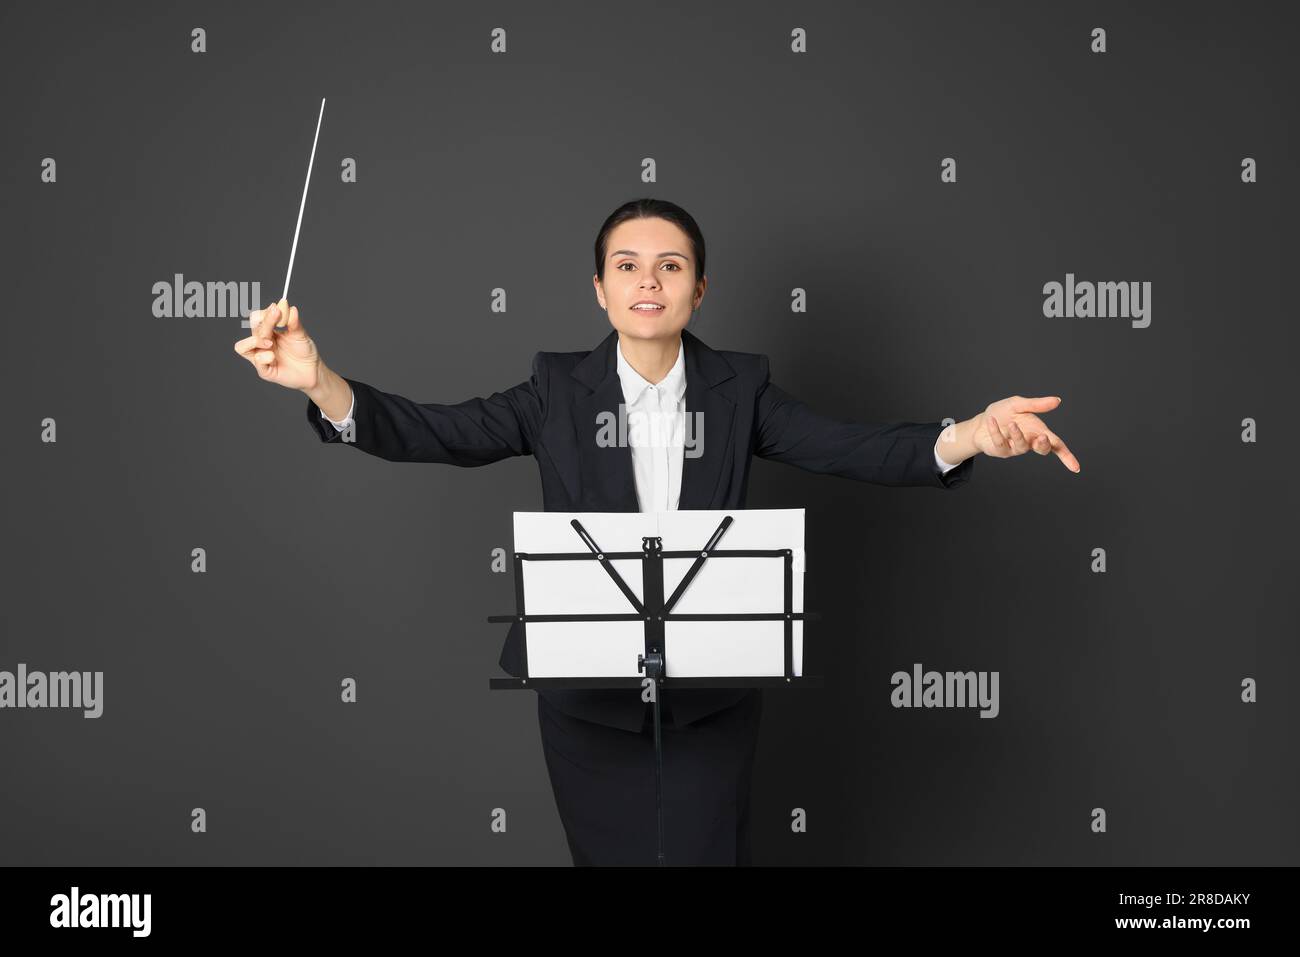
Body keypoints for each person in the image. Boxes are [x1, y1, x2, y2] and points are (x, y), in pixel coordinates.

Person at [234, 198, 1080, 866]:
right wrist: (322, 382)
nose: (649, 280)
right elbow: (434, 430)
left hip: (711, 695)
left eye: (670, 265)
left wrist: (971, 433)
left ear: (698, 289)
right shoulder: (553, 389)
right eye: (627, 266)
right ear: (599, 290)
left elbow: (857, 446)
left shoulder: (740, 388)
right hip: (587, 700)